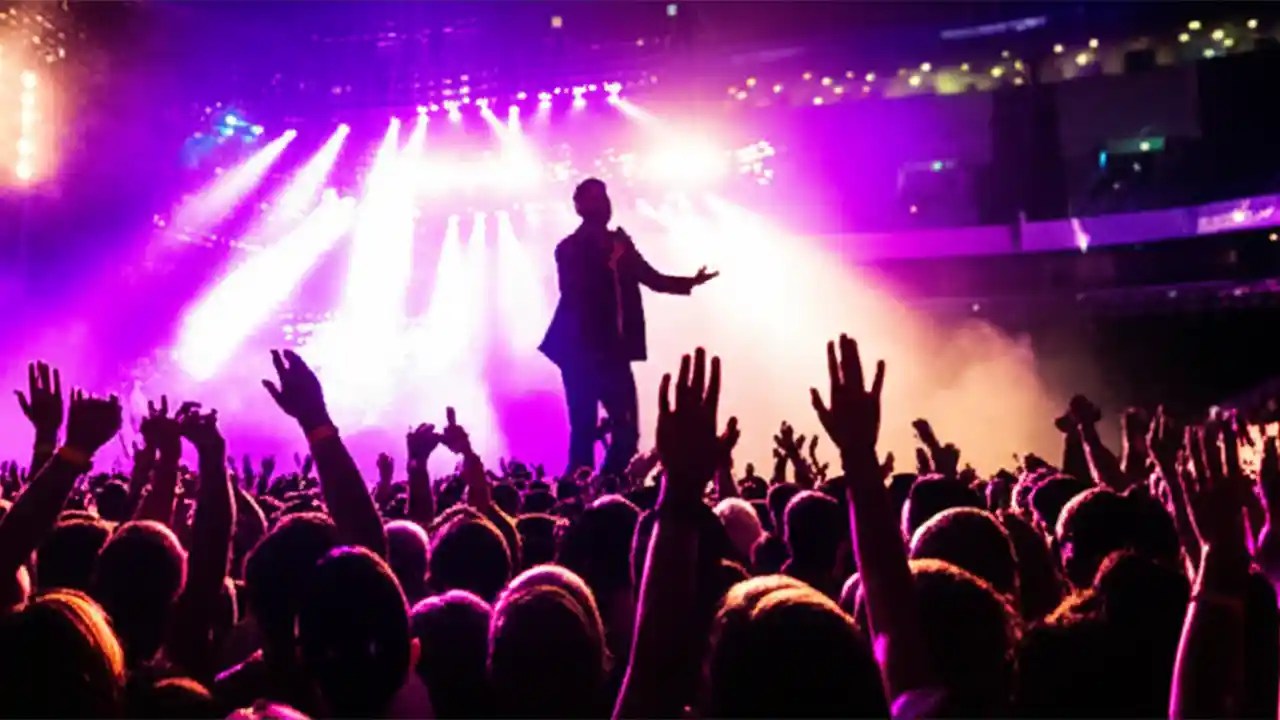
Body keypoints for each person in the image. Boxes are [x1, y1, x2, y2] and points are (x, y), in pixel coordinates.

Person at [539, 178, 718, 476]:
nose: (604, 205)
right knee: (583, 428)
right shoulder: (569, 248)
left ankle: (606, 488)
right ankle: (579, 497)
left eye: (605, 197)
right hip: (580, 351)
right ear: (579, 206)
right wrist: (608, 262)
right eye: (596, 198)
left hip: (613, 352)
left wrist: (689, 282)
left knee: (627, 435)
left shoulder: (620, 245)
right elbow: (573, 292)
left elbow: (651, 278)